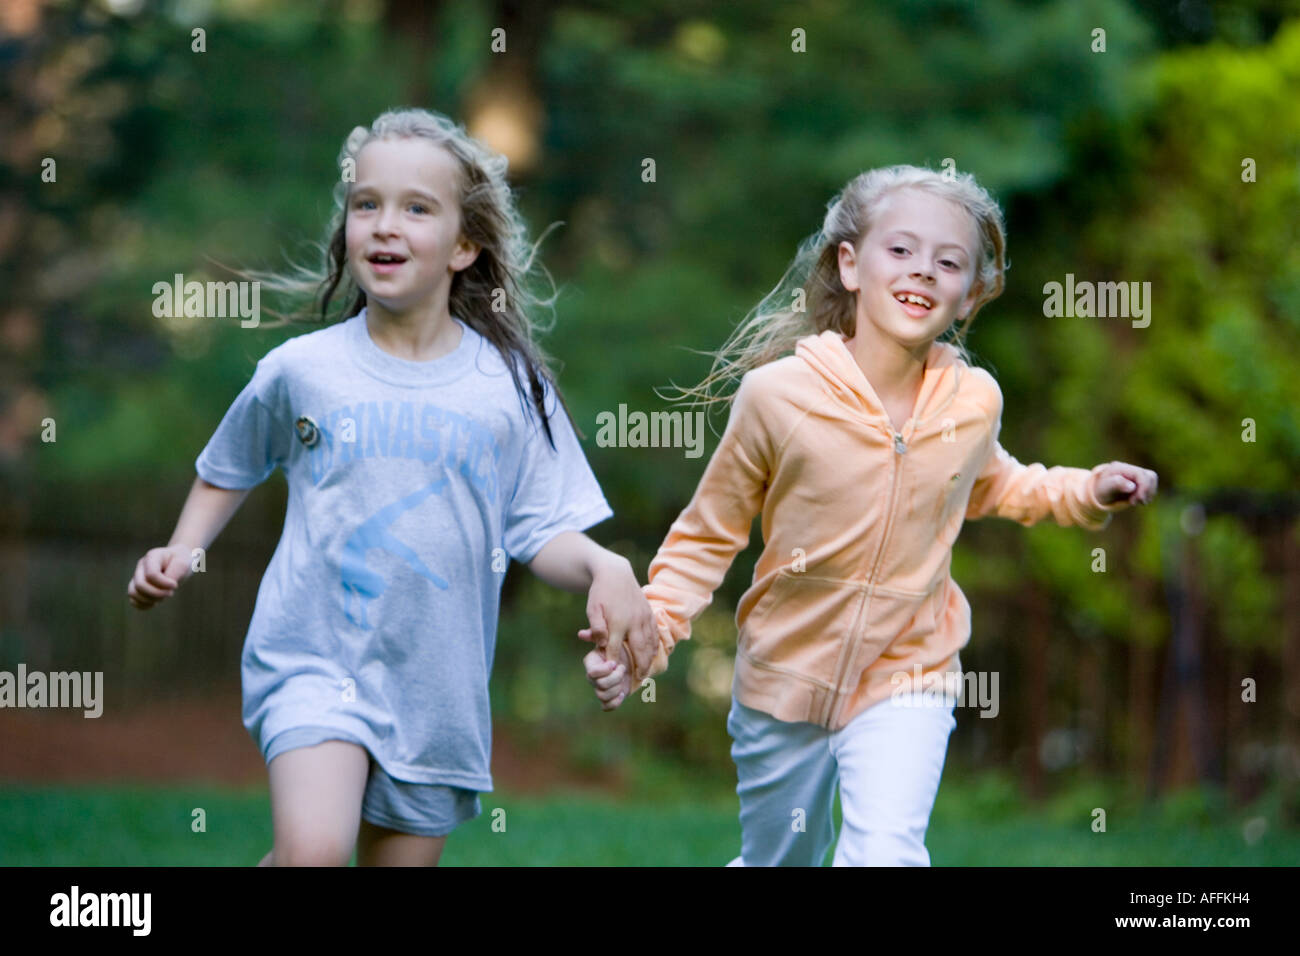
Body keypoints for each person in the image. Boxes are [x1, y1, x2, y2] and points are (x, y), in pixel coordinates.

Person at [585, 164, 1157, 866]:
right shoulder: (778, 397)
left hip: (909, 671)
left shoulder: (971, 401)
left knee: (885, 851)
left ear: (970, 293)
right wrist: (649, 640)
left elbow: (995, 484)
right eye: (901, 250)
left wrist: (1087, 489)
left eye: (948, 263)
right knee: (781, 859)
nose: (923, 271)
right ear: (850, 265)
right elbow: (708, 535)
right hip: (783, 678)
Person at [127, 108, 656, 866]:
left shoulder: (507, 387)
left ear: (465, 245)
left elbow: (541, 530)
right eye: (365, 203)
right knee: (313, 852)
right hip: (312, 659)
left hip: (437, 695)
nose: (384, 224)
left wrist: (607, 567)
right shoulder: (303, 371)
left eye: (416, 208)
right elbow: (231, 461)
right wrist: (180, 550)